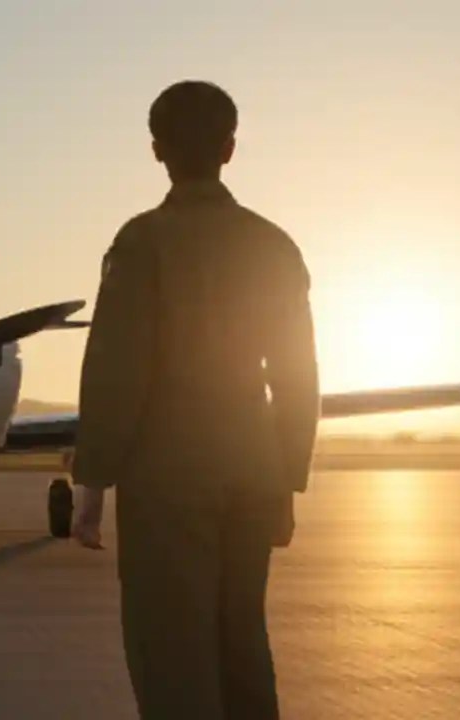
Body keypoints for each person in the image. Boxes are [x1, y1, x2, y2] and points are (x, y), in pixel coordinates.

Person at [69, 80, 320, 719]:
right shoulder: (275, 246)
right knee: (243, 645)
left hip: (168, 480)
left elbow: (116, 370)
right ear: (230, 148)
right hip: (253, 474)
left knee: (173, 654)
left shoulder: (142, 244)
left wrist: (93, 478)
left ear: (156, 150)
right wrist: (287, 479)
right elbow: (297, 375)